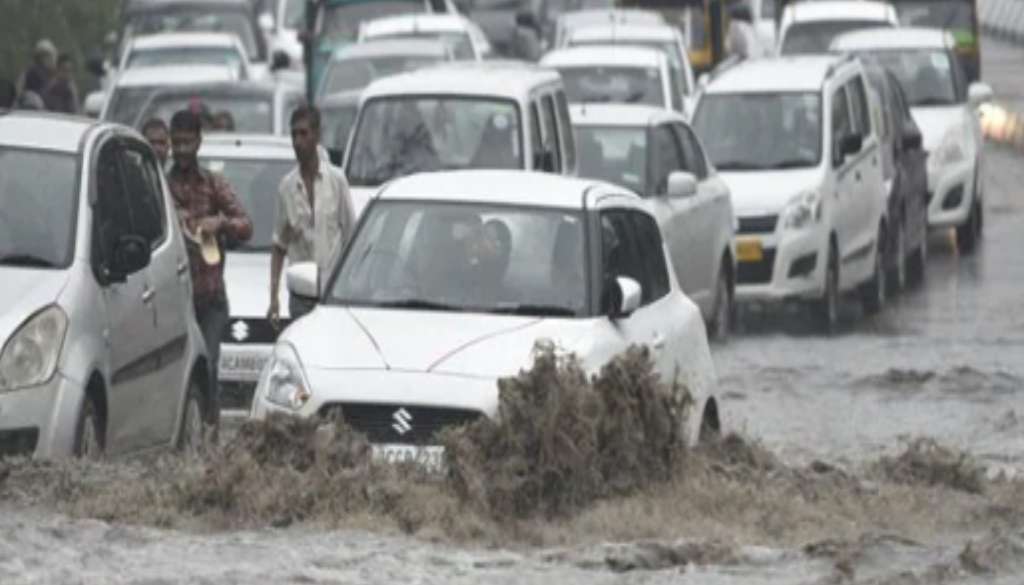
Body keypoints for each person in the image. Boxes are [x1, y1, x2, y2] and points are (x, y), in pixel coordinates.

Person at [167, 109, 253, 432]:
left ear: (199, 143)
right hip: (174, 300)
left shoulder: (214, 184)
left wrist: (220, 224)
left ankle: (210, 435)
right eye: (177, 143)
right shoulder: (161, 185)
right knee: (177, 375)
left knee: (210, 367)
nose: (182, 150)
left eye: (187, 142)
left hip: (210, 299)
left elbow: (246, 226)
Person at [268, 105, 357, 324]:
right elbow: (279, 246)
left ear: (317, 135)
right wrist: (274, 298)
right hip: (300, 296)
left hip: (332, 295)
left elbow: (351, 238)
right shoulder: (287, 187)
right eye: (294, 135)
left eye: (304, 133)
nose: (298, 142)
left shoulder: (336, 181)